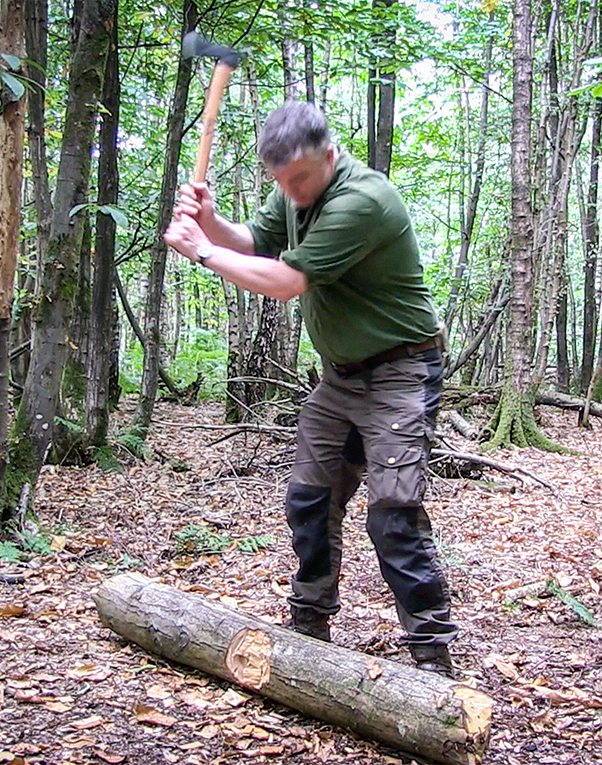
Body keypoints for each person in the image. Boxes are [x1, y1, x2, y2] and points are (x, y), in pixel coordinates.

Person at [164, 101, 457, 677]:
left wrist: (200, 250)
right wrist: (212, 223)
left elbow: (285, 282)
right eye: (279, 181)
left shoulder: (362, 201)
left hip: (401, 373)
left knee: (393, 513)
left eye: (298, 179)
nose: (290, 191)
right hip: (339, 379)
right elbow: (255, 242)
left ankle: (431, 655)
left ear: (329, 154)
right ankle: (309, 625)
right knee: (310, 499)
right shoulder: (296, 189)